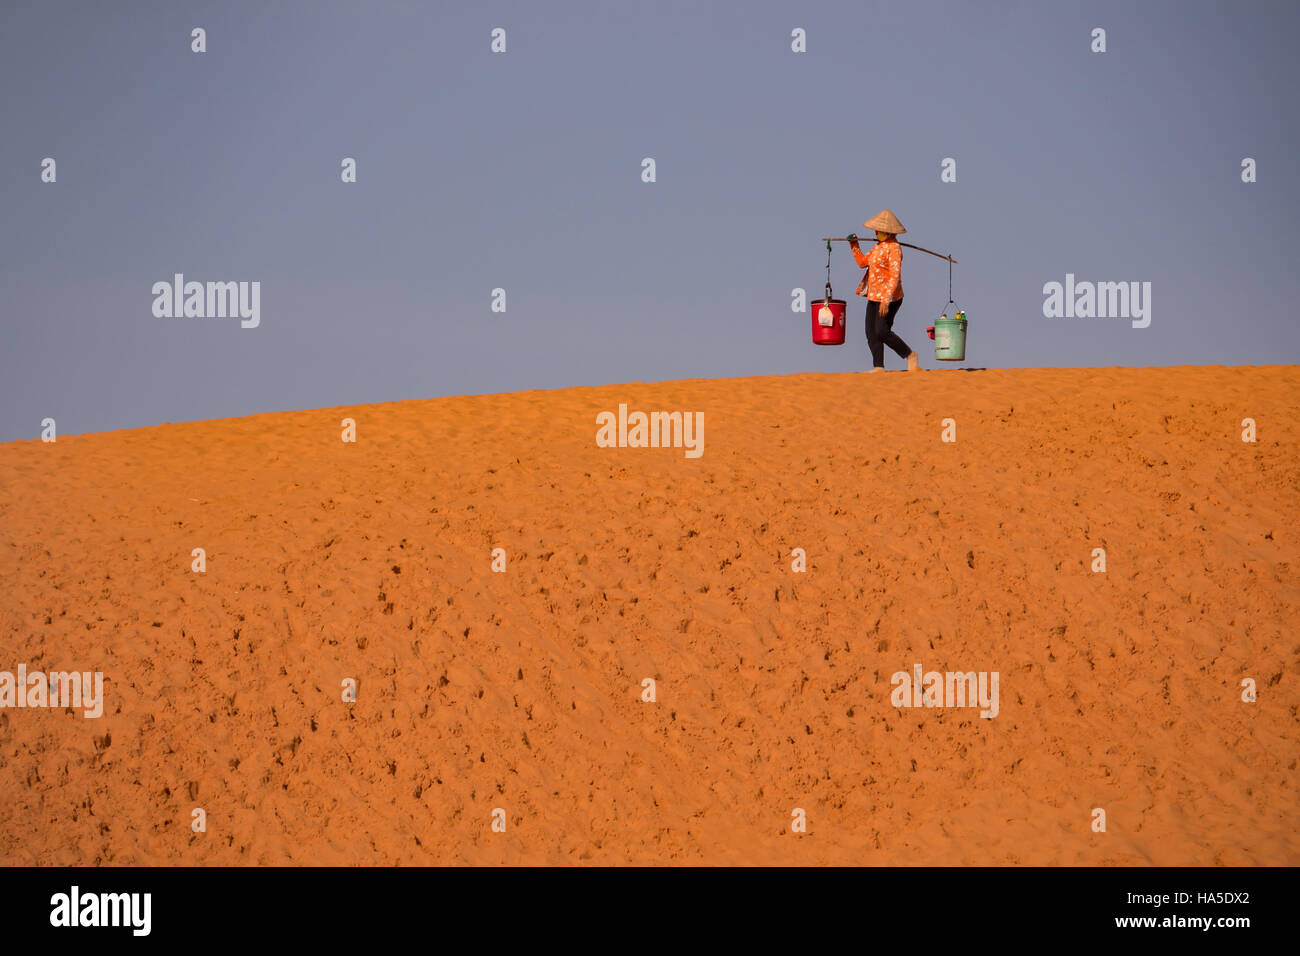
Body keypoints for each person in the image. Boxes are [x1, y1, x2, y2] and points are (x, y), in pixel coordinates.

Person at [849, 209, 920, 372]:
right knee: (871, 332)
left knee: (881, 331)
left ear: (887, 232)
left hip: (890, 298)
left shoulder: (894, 248)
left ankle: (909, 355)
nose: (876, 233)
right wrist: (854, 245)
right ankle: (878, 366)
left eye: (879, 231)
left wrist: (886, 300)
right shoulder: (877, 247)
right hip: (873, 296)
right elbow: (862, 263)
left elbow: (895, 276)